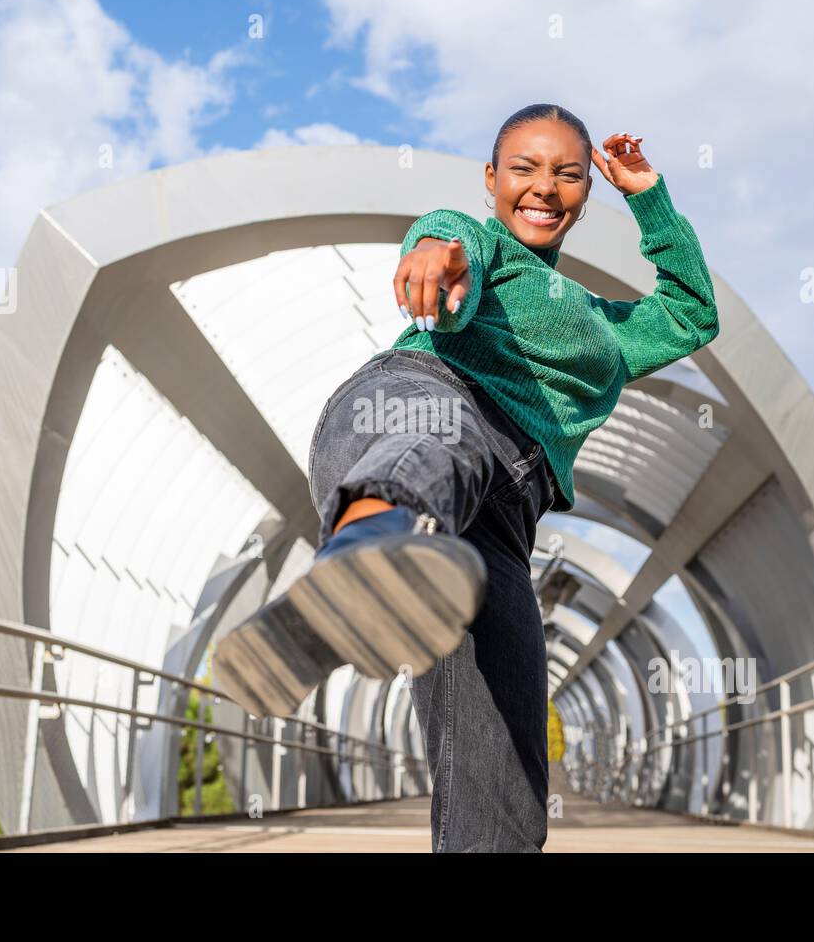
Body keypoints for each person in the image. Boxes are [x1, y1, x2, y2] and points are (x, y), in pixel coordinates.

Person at [215, 103, 719, 851]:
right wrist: (438, 258)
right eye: (524, 168)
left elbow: (692, 314)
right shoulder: (480, 245)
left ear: (587, 191)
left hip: (497, 527)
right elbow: (450, 245)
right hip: (408, 408)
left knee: (506, 784)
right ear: (492, 179)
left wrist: (648, 196)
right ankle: (362, 558)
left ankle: (378, 572)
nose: (544, 187)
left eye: (568, 174)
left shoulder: (605, 327)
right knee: (445, 442)